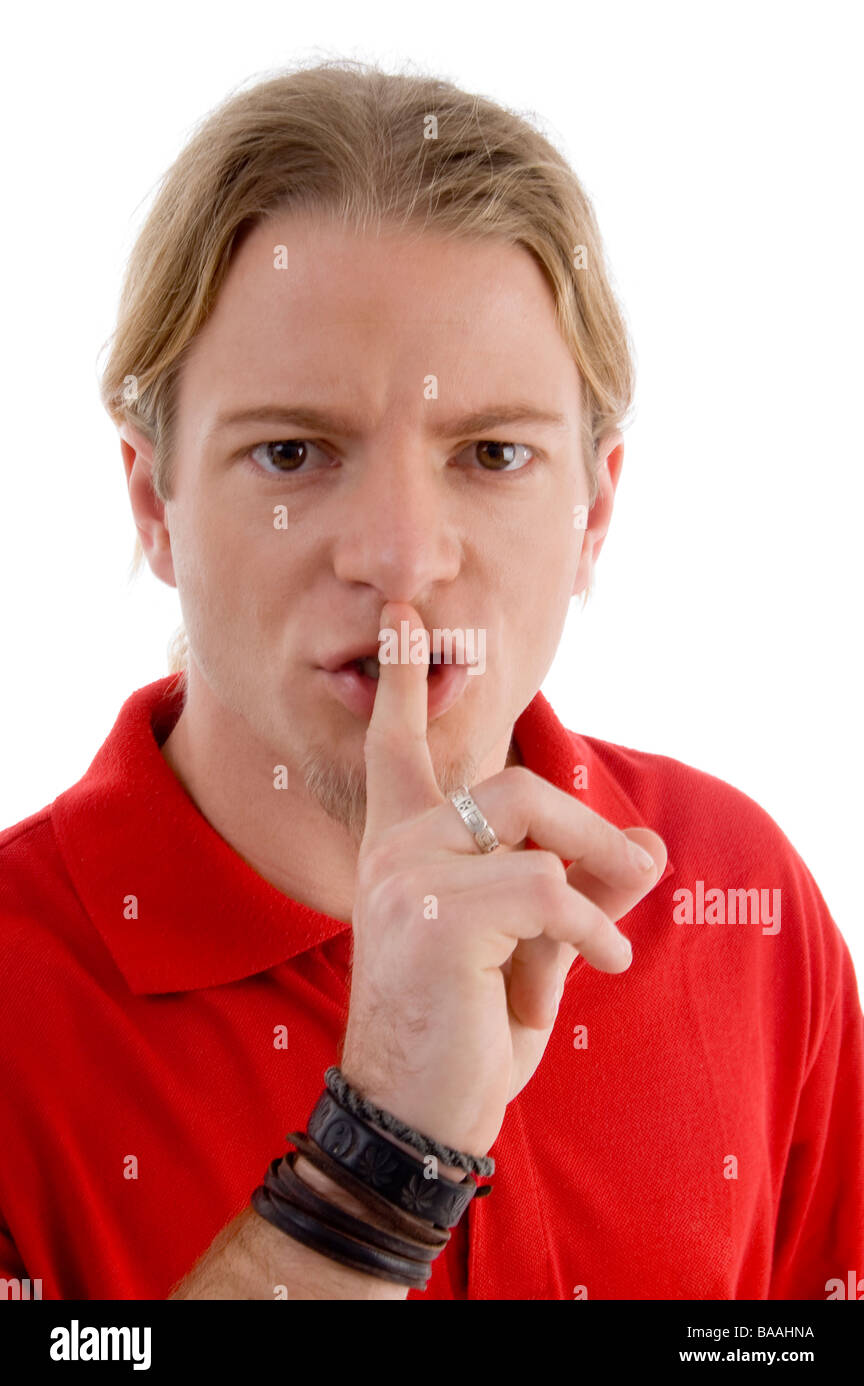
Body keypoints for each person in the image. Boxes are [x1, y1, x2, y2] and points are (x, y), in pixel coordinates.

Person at [1, 60, 861, 1302]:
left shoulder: (740, 893)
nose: (402, 559)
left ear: (596, 508)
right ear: (156, 504)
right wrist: (373, 1163)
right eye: (292, 450)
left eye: (495, 453)